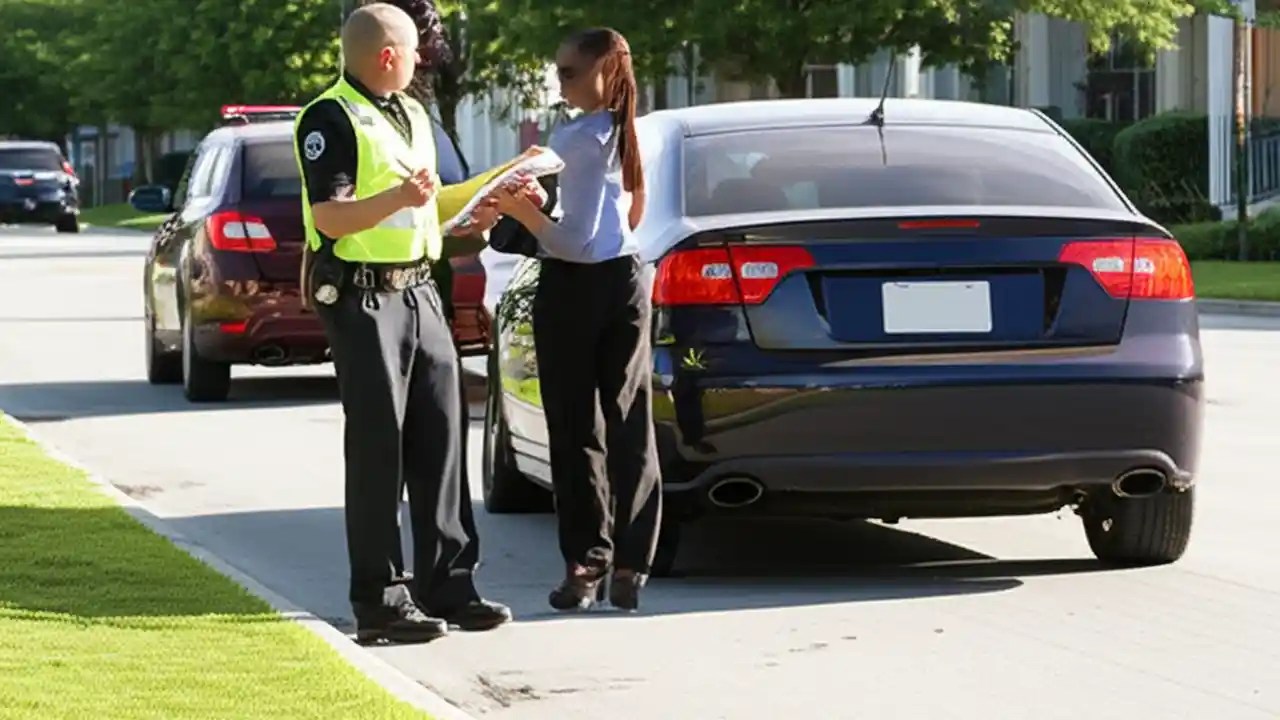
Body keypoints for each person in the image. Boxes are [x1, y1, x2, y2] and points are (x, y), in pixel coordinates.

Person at [293, 2, 526, 643]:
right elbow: (331, 218)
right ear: (389, 56)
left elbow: (425, 212)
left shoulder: (416, 112)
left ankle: (450, 585)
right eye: (416, 51)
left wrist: (464, 223)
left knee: (443, 438)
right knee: (379, 450)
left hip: (420, 289)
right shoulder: (329, 117)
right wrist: (399, 198)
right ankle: (382, 602)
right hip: (365, 300)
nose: (425, 59)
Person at [492, 27, 662, 612]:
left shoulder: (580, 138)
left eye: (568, 73)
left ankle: (586, 562)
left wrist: (520, 211)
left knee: (573, 429)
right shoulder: (630, 132)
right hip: (627, 281)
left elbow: (575, 245)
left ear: (605, 71)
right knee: (629, 421)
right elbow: (628, 217)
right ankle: (633, 564)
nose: (558, 82)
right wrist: (548, 210)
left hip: (577, 286)